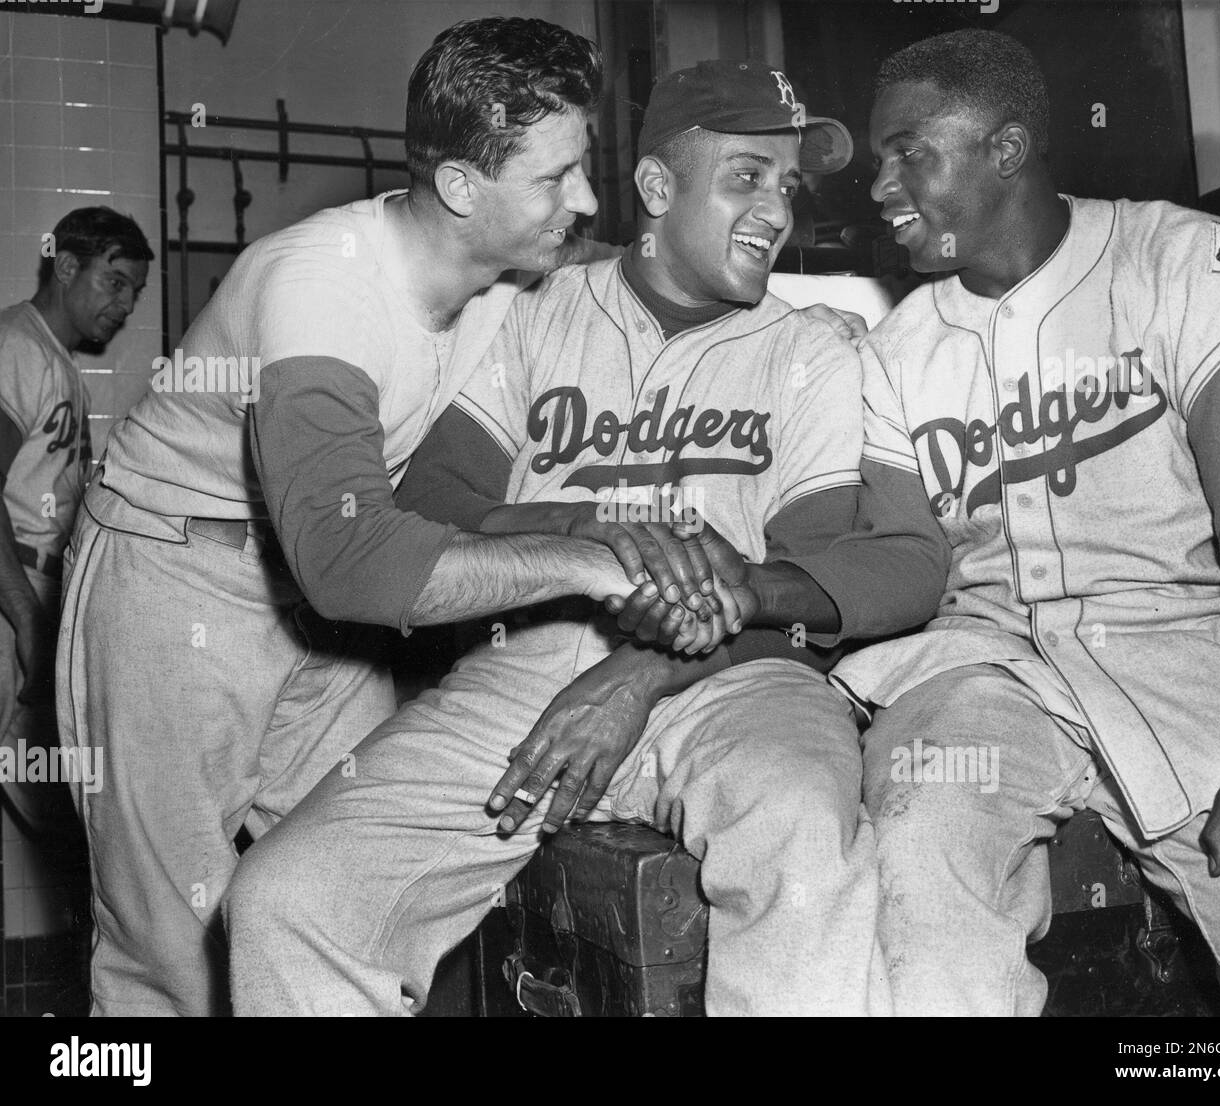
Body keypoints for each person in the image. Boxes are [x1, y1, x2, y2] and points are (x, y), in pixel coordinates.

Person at [224, 59, 949, 1017]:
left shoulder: (812, 347)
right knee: (287, 898)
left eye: (787, 184)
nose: (777, 209)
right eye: (746, 176)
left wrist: (635, 679)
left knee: (803, 845)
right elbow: (435, 499)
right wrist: (580, 528)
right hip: (522, 670)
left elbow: (810, 588)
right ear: (657, 186)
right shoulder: (539, 312)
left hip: (738, 678)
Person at [55, 17, 738, 1018]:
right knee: (170, 941)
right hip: (175, 573)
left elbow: (658, 275)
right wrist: (589, 559)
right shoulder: (320, 288)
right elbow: (353, 562)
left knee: (346, 887)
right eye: (556, 179)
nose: (585, 200)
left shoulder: (518, 269)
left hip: (315, 607)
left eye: (583, 168)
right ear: (461, 187)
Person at [834, 28, 1220, 1016]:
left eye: (907, 153)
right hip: (985, 669)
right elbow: (902, 565)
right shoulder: (893, 353)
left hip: (1189, 665)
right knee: (920, 858)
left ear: (1006, 148)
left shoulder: (1183, 262)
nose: (878, 186)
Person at [1, 207, 151, 834]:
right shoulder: (18, 346)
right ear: (65, 266)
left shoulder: (57, 360)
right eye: (115, 282)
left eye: (134, 292)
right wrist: (28, 620)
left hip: (31, 594)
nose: (127, 305)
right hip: (11, 596)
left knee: (63, 813)